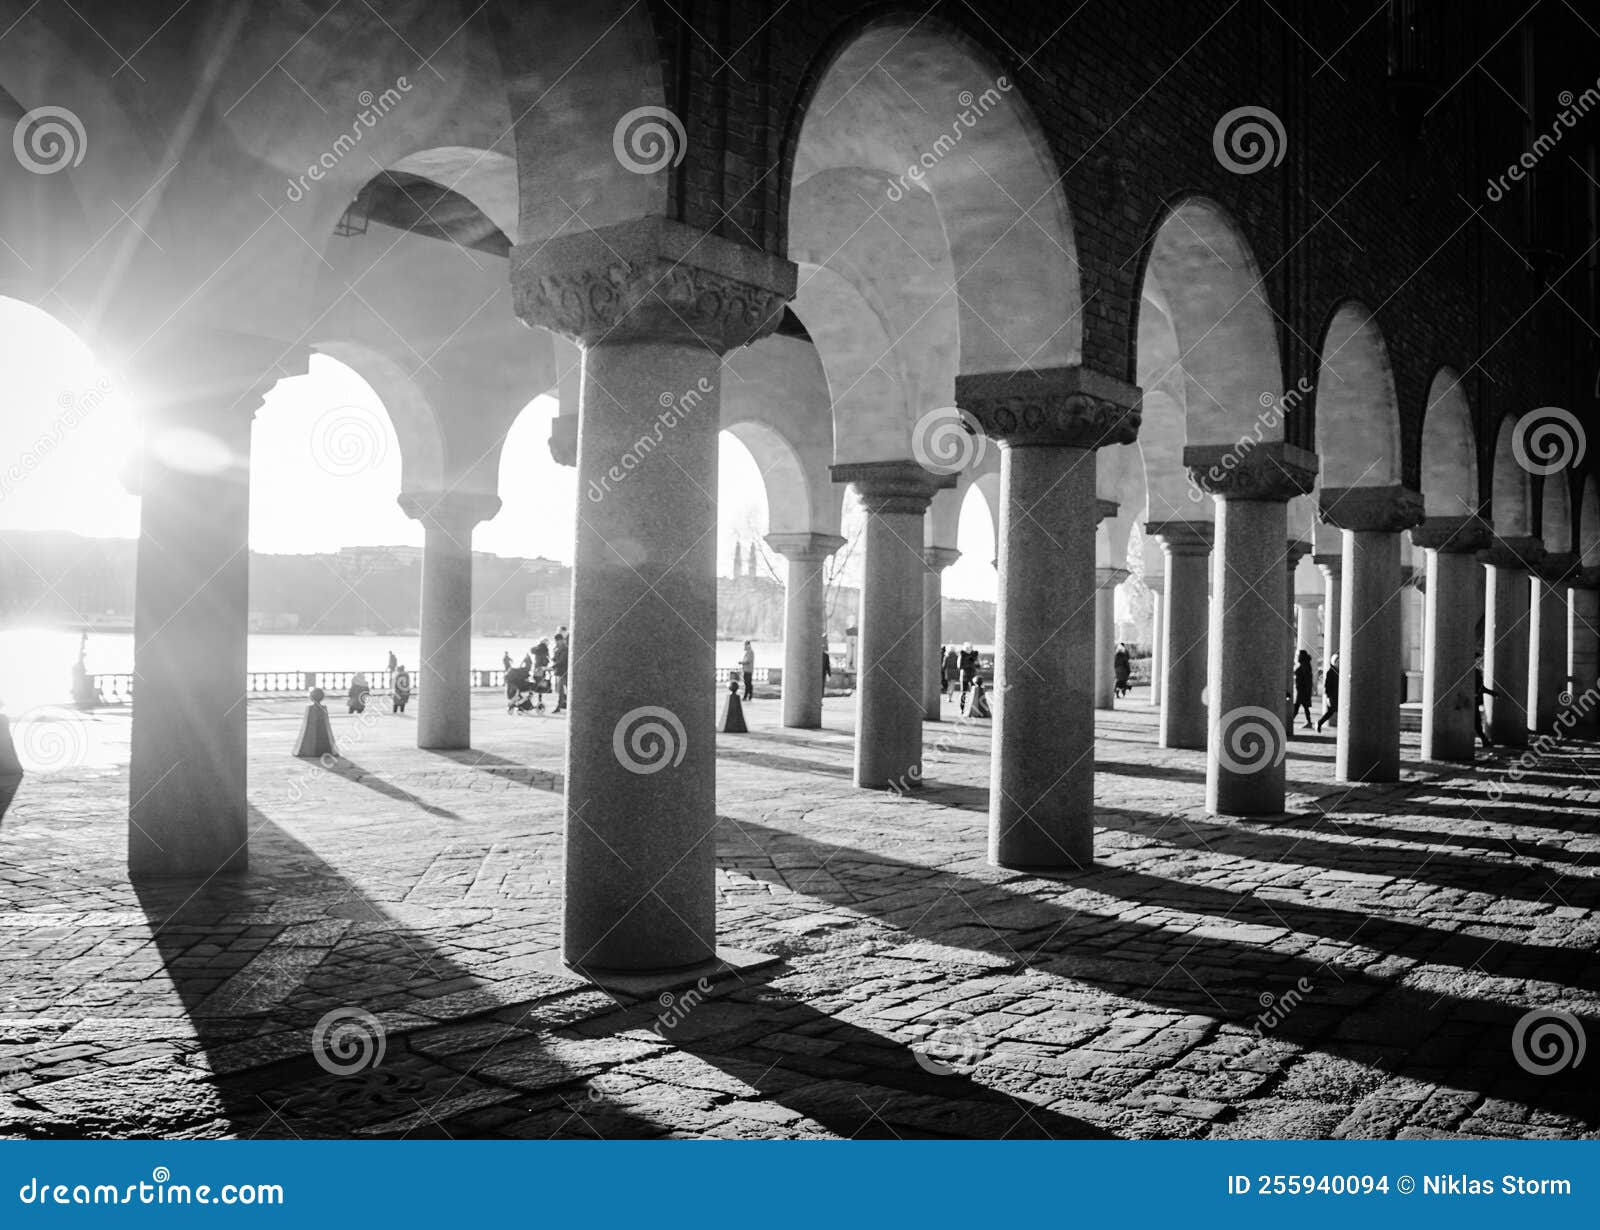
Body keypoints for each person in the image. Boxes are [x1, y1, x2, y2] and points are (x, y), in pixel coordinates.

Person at [1475, 657, 1496, 749]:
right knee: (1476, 723)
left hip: (1474, 700)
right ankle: (1485, 741)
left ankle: (1485, 741)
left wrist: (1492, 693)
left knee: (1477, 722)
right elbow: (1481, 688)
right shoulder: (1474, 672)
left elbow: (1481, 688)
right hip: (1472, 700)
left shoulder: (1476, 672)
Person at [1315, 653, 1339, 732]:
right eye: (1337, 662)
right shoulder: (1330, 672)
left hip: (1338, 695)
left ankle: (1319, 723)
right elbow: (1327, 685)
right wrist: (1328, 697)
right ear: (1333, 662)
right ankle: (1319, 723)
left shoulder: (1339, 671)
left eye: (1339, 661)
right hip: (1332, 696)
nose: (1338, 663)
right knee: (1331, 712)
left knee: (1332, 712)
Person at [1292, 649, 1314, 730]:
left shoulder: (1304, 666)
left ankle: (1290, 721)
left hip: (1301, 691)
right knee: (1303, 707)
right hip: (1301, 690)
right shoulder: (1305, 664)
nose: (1296, 657)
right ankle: (1309, 722)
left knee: (1297, 707)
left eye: (1297, 655)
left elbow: (1306, 679)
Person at [552, 632, 569, 713]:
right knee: (561, 691)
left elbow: (562, 661)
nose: (556, 643)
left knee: (564, 690)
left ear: (561, 640)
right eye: (556, 641)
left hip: (564, 672)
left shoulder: (565, 648)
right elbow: (556, 659)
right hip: (560, 672)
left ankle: (561, 706)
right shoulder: (558, 648)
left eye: (558, 641)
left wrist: (553, 666)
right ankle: (559, 707)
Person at [958, 642, 979, 708]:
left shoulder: (974, 655)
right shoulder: (962, 655)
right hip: (966, 676)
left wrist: (973, 662)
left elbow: (978, 665)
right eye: (967, 648)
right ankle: (962, 708)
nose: (968, 649)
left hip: (971, 676)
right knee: (964, 692)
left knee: (973, 691)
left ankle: (972, 707)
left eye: (969, 648)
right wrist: (969, 664)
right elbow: (960, 666)